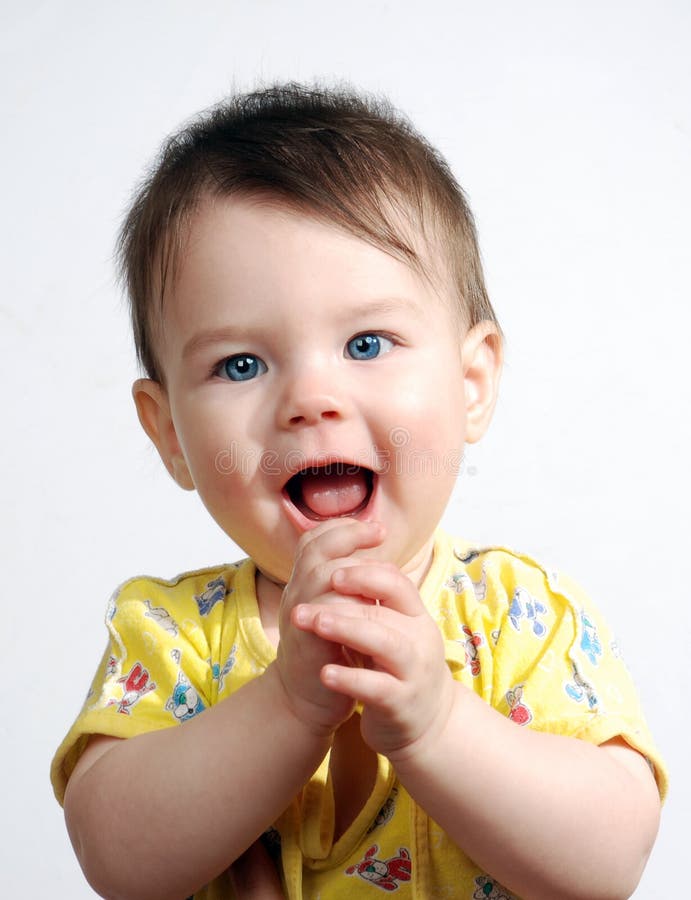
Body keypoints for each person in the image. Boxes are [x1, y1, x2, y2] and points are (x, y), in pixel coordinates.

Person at [50, 83, 667, 900]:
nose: (311, 397)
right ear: (169, 434)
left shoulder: (517, 616)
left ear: (471, 380)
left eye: (366, 343)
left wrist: (439, 723)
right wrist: (286, 707)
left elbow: (608, 861)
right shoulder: (169, 638)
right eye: (241, 364)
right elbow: (116, 857)